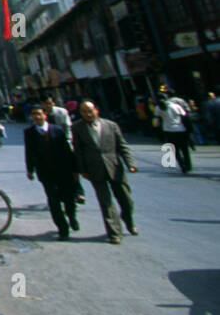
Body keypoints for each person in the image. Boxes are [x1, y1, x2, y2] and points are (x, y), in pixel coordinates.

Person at [72, 101, 138, 244]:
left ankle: (128, 220)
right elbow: (78, 151)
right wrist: (82, 170)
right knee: (105, 202)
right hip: (94, 169)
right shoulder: (77, 128)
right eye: (84, 111)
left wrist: (130, 164)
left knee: (126, 200)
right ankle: (114, 233)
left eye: (90, 111)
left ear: (96, 110)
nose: (88, 114)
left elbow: (122, 146)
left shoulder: (111, 125)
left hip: (114, 167)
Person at [24, 105, 79, 239]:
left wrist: (75, 169)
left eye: (39, 114)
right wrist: (30, 169)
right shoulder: (29, 132)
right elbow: (29, 151)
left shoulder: (57, 130)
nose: (36, 117)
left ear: (45, 115)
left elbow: (67, 150)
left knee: (68, 198)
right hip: (45, 172)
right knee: (53, 200)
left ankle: (71, 216)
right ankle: (62, 229)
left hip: (63, 170)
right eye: (33, 114)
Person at [42, 97, 86, 204]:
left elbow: (67, 127)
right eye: (45, 104)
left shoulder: (62, 112)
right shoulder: (41, 114)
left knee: (73, 169)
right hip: (50, 147)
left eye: (50, 103)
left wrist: (67, 141)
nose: (48, 106)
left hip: (64, 142)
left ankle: (79, 191)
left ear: (53, 102)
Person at [155, 87, 193, 174]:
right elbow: (185, 118)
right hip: (180, 130)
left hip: (168, 131)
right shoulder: (176, 106)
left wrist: (158, 132)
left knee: (174, 150)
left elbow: (156, 121)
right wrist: (189, 129)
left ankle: (182, 165)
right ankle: (188, 165)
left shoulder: (158, 108)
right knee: (184, 149)